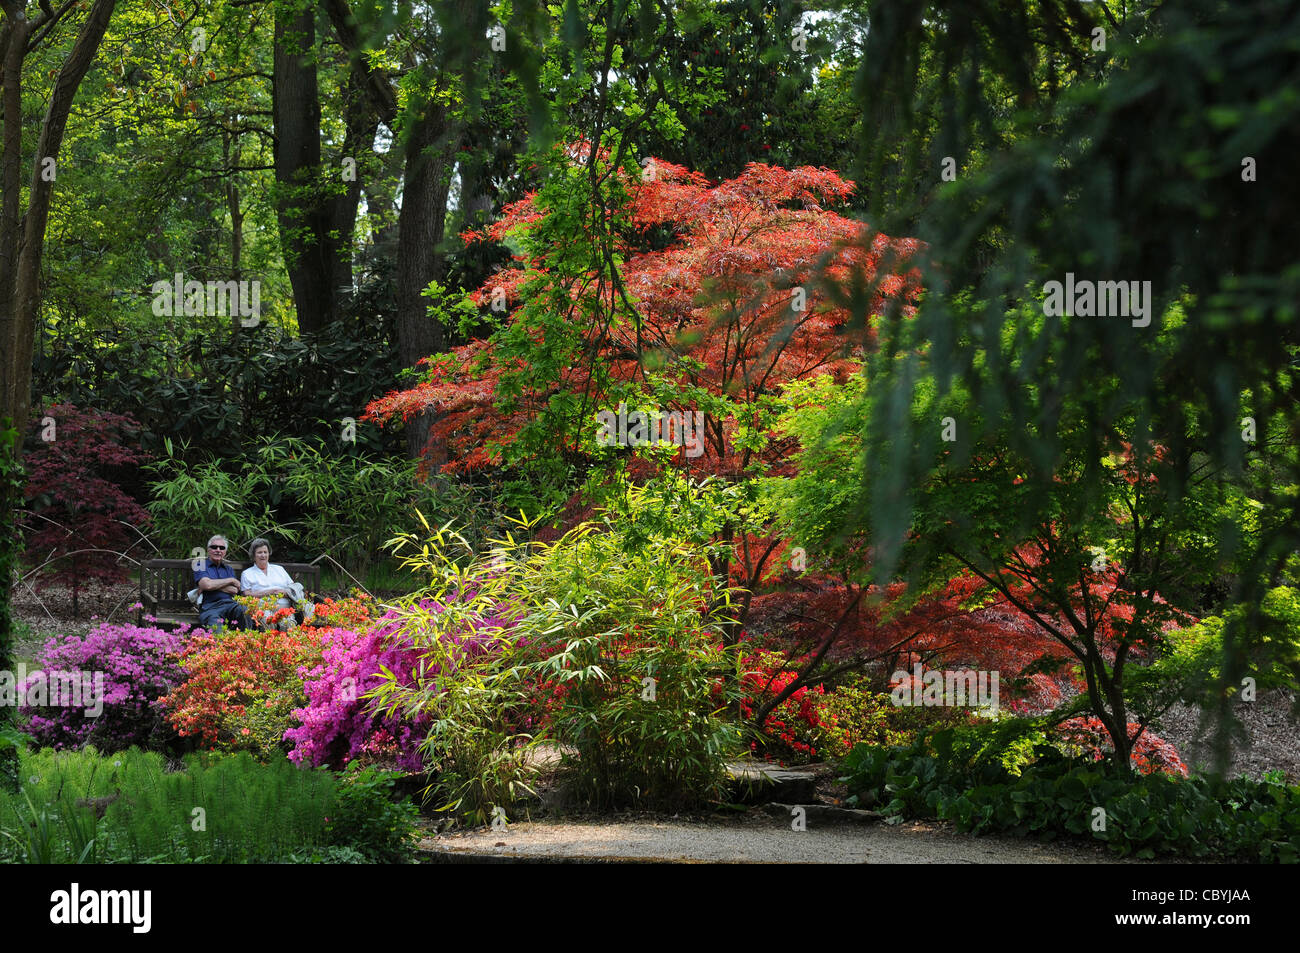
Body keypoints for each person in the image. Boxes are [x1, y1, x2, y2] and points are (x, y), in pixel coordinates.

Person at [240, 538, 311, 627]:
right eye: (259, 552)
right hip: (263, 607)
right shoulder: (247, 573)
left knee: (288, 624)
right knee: (268, 621)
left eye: (265, 552)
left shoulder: (279, 569)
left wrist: (285, 592)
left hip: (284, 607)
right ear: (254, 555)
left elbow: (292, 587)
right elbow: (246, 594)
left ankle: (288, 640)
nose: (263, 555)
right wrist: (270, 592)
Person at [193, 534, 249, 630]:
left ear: (225, 552)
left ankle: (247, 642)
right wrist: (231, 580)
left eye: (221, 548)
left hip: (230, 605)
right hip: (210, 608)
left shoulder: (228, 569)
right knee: (217, 627)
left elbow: (234, 590)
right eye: (214, 547)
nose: (218, 550)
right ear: (208, 550)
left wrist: (212, 584)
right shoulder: (199, 564)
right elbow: (206, 584)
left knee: (244, 611)